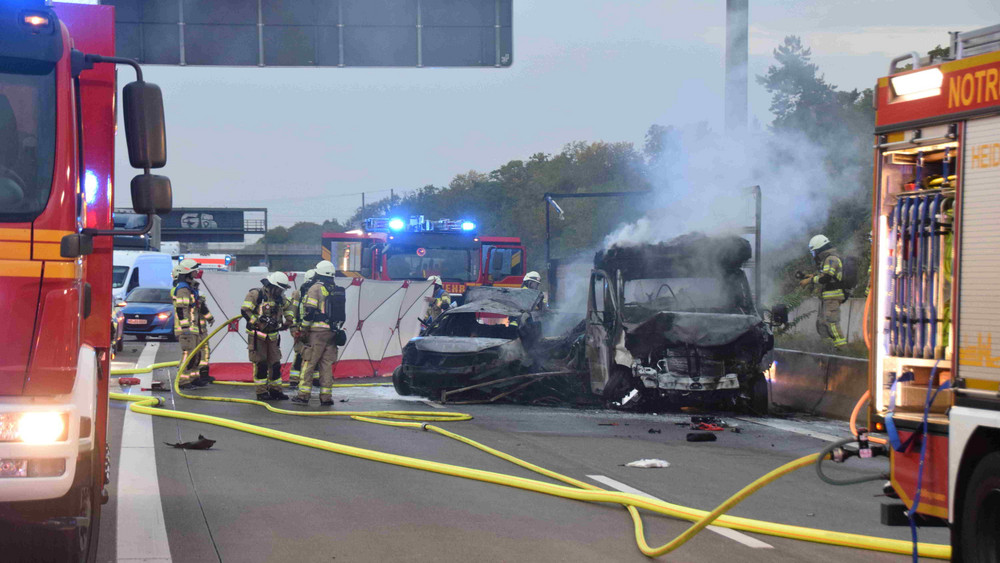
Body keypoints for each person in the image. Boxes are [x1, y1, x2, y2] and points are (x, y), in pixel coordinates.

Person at [292, 260, 344, 406]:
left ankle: (303, 395)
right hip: (332, 333)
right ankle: (326, 397)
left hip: (316, 333)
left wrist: (303, 329)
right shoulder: (335, 289)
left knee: (309, 363)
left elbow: (309, 312)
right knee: (326, 365)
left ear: (318, 273)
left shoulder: (316, 289)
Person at [241, 272, 294, 401]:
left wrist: (289, 319)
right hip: (258, 336)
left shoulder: (280, 298)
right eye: (280, 289)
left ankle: (276, 391)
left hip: (273, 336)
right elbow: (245, 310)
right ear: (273, 286)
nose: (281, 292)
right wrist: (257, 322)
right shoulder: (256, 294)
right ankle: (261, 392)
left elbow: (289, 307)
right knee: (261, 364)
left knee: (275, 364)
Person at [800, 234, 847, 348]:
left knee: (831, 323)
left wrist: (809, 280)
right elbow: (824, 275)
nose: (814, 255)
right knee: (822, 324)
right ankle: (827, 348)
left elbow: (826, 278)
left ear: (819, 249)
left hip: (832, 297)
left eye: (814, 251)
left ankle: (842, 348)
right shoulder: (828, 259)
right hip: (827, 298)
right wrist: (810, 276)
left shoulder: (831, 259)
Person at [171, 259, 207, 389]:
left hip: (193, 328)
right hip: (187, 329)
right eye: (194, 271)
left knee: (196, 355)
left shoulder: (191, 288)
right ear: (188, 272)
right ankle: (183, 381)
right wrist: (185, 326)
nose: (197, 273)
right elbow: (181, 308)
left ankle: (193, 378)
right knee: (189, 354)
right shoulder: (183, 289)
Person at [288, 269, 317, 388]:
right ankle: (295, 380)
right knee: (301, 354)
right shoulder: (298, 294)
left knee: (312, 354)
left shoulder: (313, 292)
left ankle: (313, 379)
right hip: (303, 328)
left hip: (309, 328)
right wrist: (294, 329)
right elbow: (293, 312)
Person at [193, 281, 215, 384]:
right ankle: (197, 376)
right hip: (197, 332)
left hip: (202, 331)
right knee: (198, 353)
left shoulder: (197, 303)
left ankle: (204, 374)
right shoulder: (197, 305)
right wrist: (210, 318)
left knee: (205, 351)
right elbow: (204, 311)